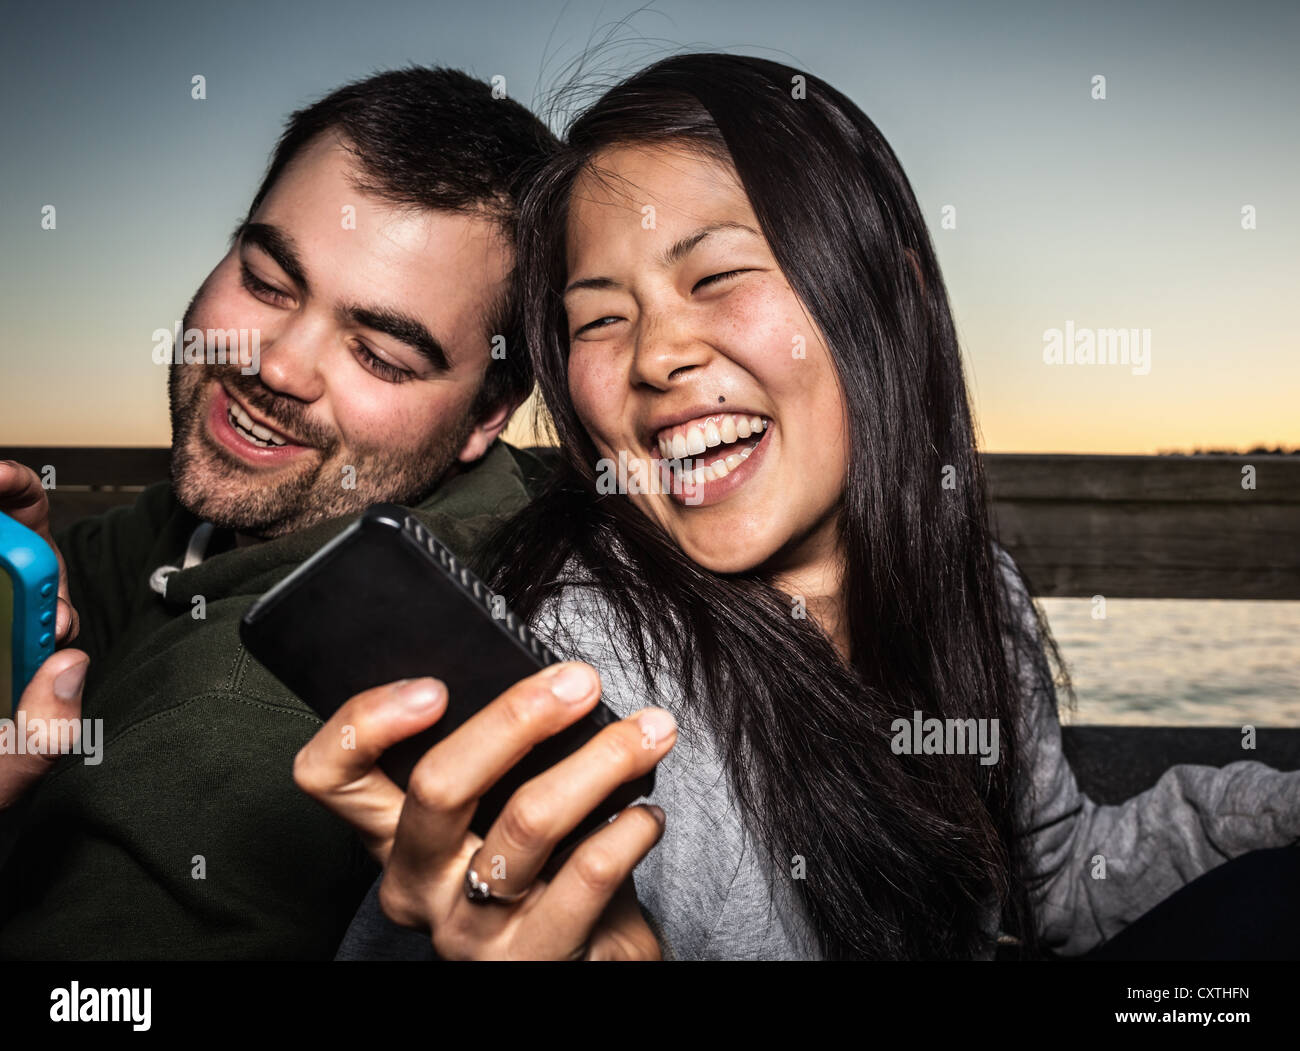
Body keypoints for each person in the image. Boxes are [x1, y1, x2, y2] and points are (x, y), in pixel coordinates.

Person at [296, 53, 1300, 961]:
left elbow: (1051, 876)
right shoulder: (590, 672)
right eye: (599, 319)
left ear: (893, 301)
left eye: (718, 275)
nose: (655, 356)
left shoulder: (974, 588)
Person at [0, 66, 559, 959]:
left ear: (486, 416)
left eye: (379, 354)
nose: (278, 367)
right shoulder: (286, 505)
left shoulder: (225, 730)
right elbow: (140, 559)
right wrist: (40, 593)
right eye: (266, 282)